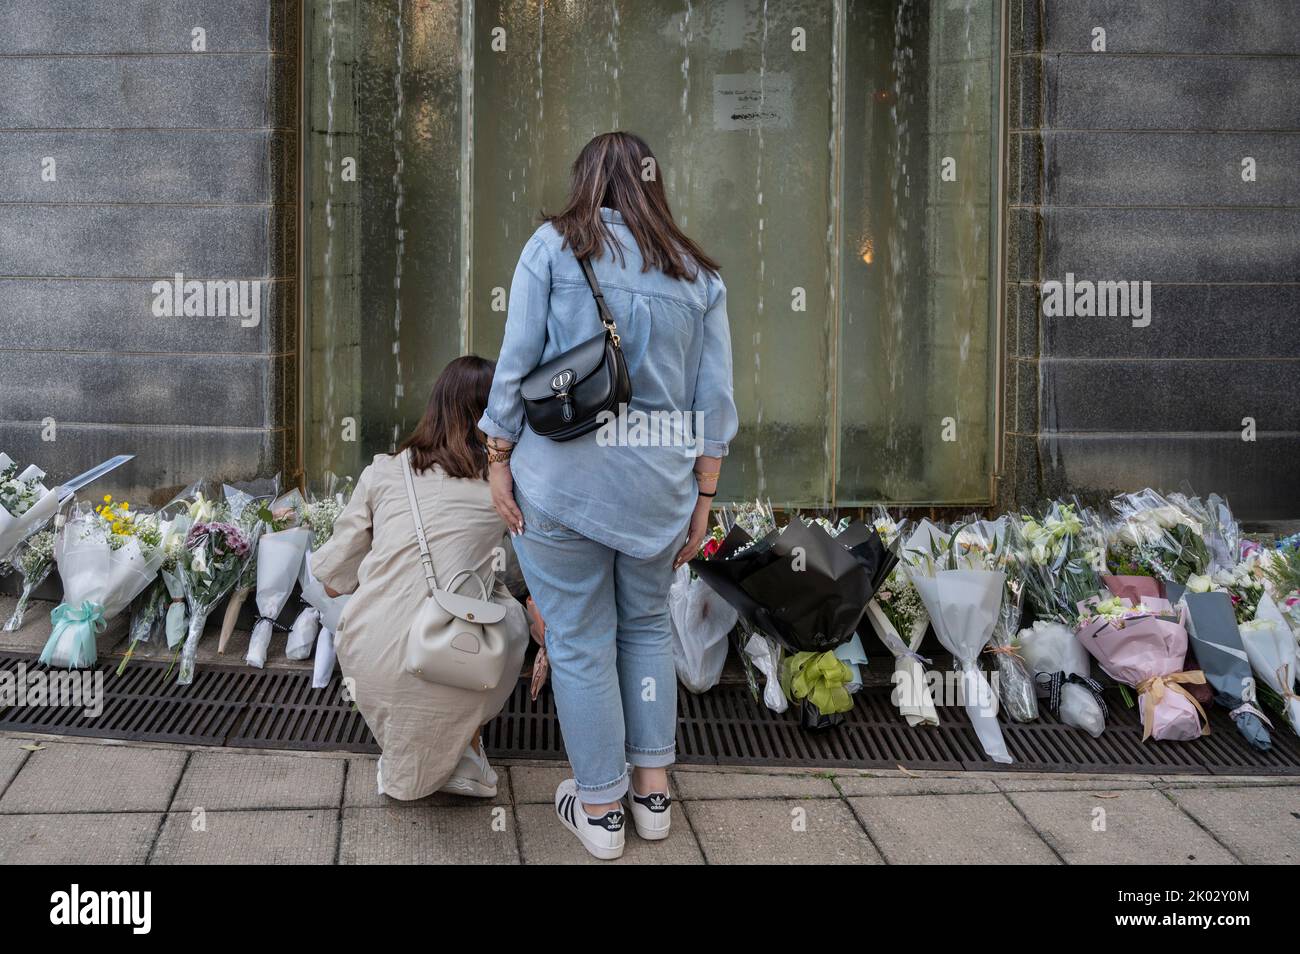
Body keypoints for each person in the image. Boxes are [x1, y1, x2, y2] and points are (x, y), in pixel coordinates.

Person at [479, 131, 738, 859]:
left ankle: (600, 811)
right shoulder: (699, 277)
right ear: (654, 185)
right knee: (648, 628)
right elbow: (712, 403)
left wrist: (497, 453)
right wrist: (704, 497)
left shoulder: (554, 248)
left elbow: (516, 361)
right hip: (656, 493)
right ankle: (652, 797)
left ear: (586, 180)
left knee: (581, 643)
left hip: (561, 486)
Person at [312, 355, 529, 801]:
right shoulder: (505, 485)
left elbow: (332, 581)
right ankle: (466, 747)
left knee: (379, 611)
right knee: (502, 607)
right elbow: (533, 568)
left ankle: (432, 754)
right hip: (464, 654)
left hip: (373, 654)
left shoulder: (383, 472)